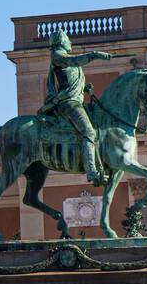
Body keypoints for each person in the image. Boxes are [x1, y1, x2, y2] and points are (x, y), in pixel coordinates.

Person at [38, 29, 114, 186]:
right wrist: (95, 55)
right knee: (88, 132)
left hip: (75, 102)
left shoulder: (65, 59)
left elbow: (69, 83)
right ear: (61, 42)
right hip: (67, 104)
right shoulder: (58, 56)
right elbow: (74, 61)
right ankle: (92, 171)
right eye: (68, 40)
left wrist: (83, 89)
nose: (70, 43)